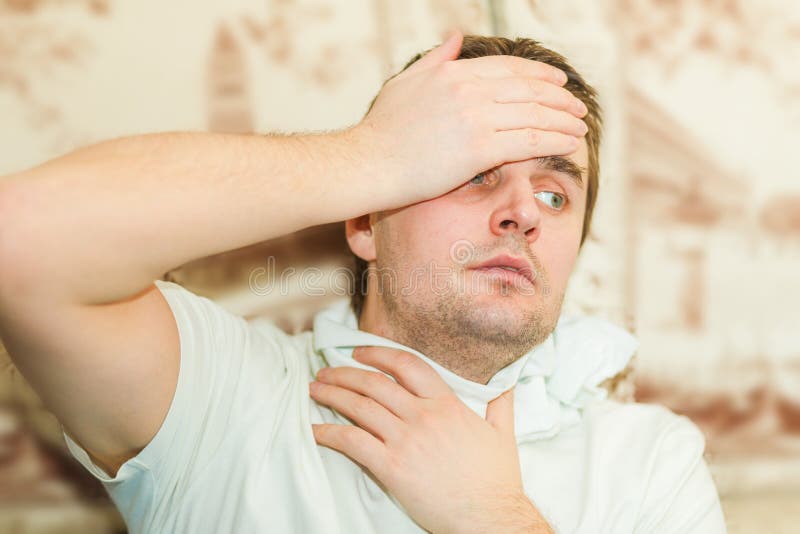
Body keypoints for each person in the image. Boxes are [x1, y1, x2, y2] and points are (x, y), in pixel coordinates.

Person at [0, 31, 726, 533]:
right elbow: (20, 237)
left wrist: (495, 520)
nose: (522, 215)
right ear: (365, 223)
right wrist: (370, 155)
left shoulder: (650, 460)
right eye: (474, 174)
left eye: (555, 195)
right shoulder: (224, 400)